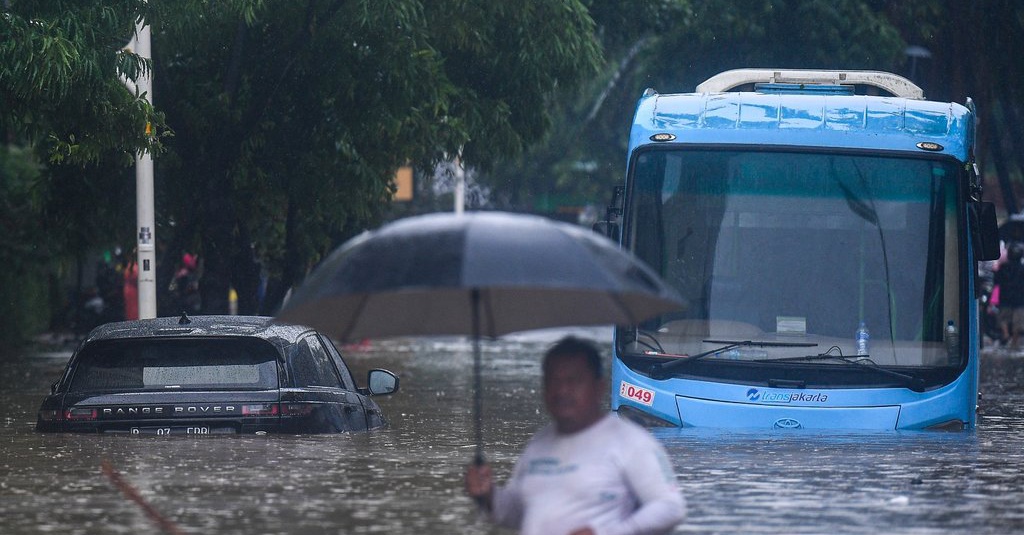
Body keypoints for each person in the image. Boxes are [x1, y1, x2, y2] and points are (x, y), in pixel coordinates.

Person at [464, 336, 685, 535]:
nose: (562, 390)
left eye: (574, 380)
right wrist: (488, 495)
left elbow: (670, 508)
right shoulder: (538, 444)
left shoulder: (631, 442)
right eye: (554, 381)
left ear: (599, 387)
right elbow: (517, 514)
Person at [996, 244, 1024, 348]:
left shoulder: (1003, 268)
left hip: (1005, 297)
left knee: (1003, 319)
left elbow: (996, 281)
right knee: (1018, 322)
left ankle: (1006, 334)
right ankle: (1014, 343)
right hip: (1020, 299)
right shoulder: (1022, 268)